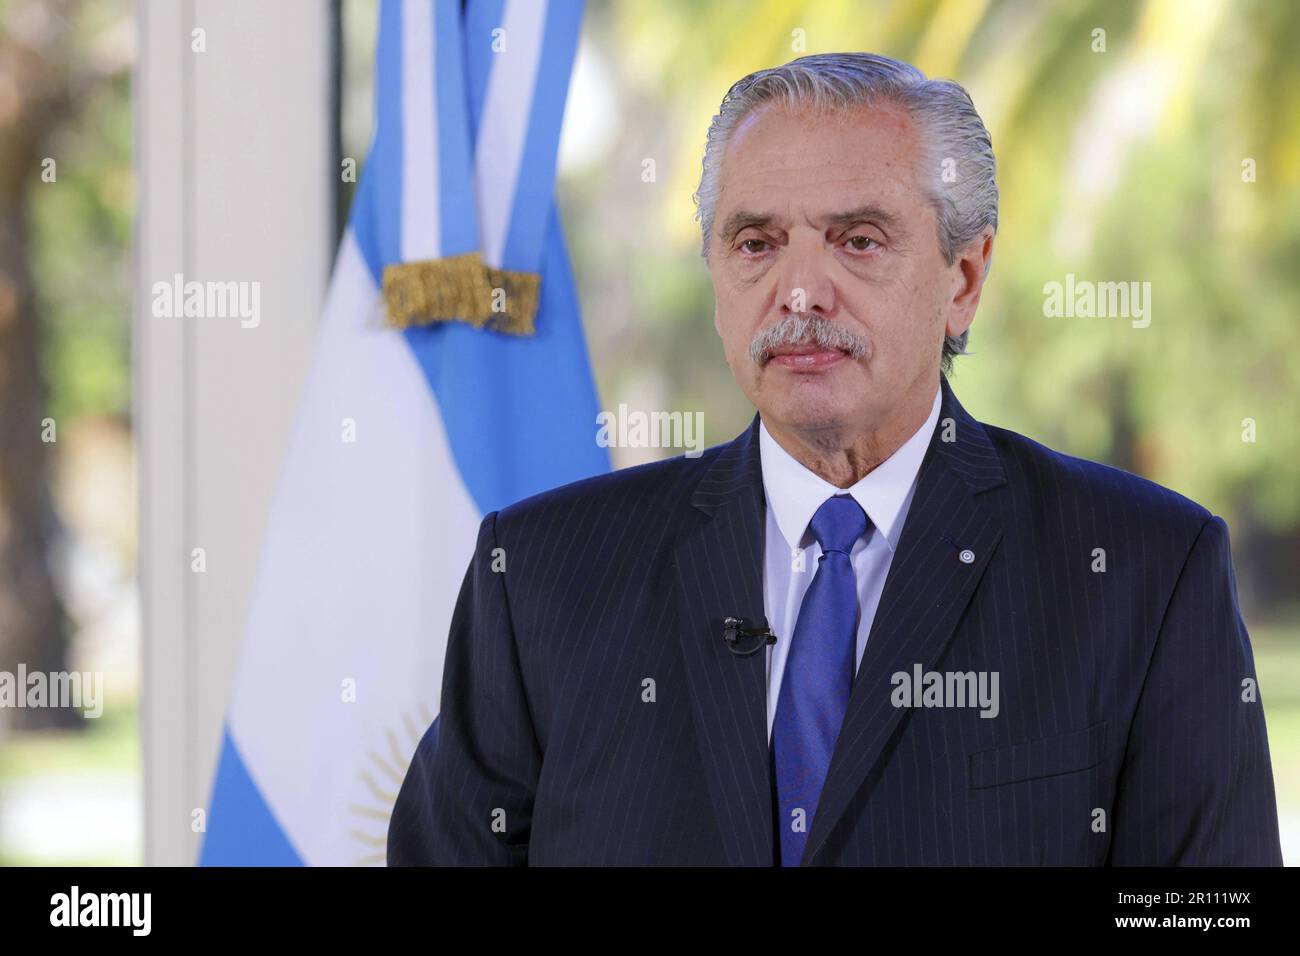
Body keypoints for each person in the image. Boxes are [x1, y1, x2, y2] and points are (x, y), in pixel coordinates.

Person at [387, 52, 1283, 866]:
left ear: (963, 279)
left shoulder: (1146, 571)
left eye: (858, 240)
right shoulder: (540, 575)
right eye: (756, 243)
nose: (802, 290)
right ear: (716, 277)